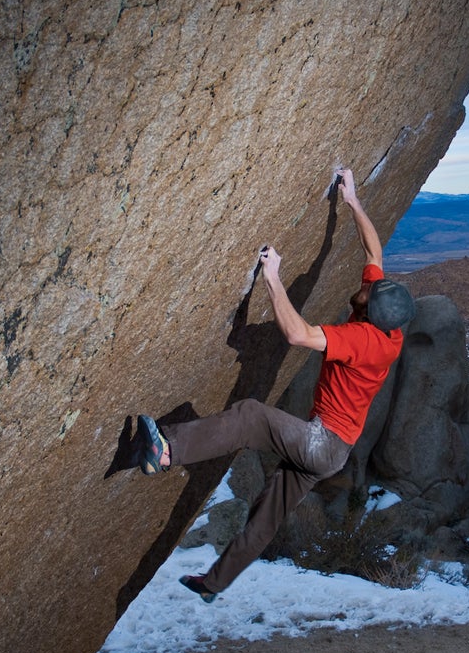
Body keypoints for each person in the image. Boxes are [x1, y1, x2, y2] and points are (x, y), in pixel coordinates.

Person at [136, 168, 415, 602]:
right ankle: (215, 583)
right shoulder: (385, 321)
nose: (363, 287)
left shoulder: (364, 339)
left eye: (365, 293)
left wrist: (273, 279)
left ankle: (167, 450)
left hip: (321, 442)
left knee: (250, 415)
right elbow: (373, 251)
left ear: (370, 313)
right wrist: (353, 202)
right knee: (267, 516)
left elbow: (299, 336)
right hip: (332, 453)